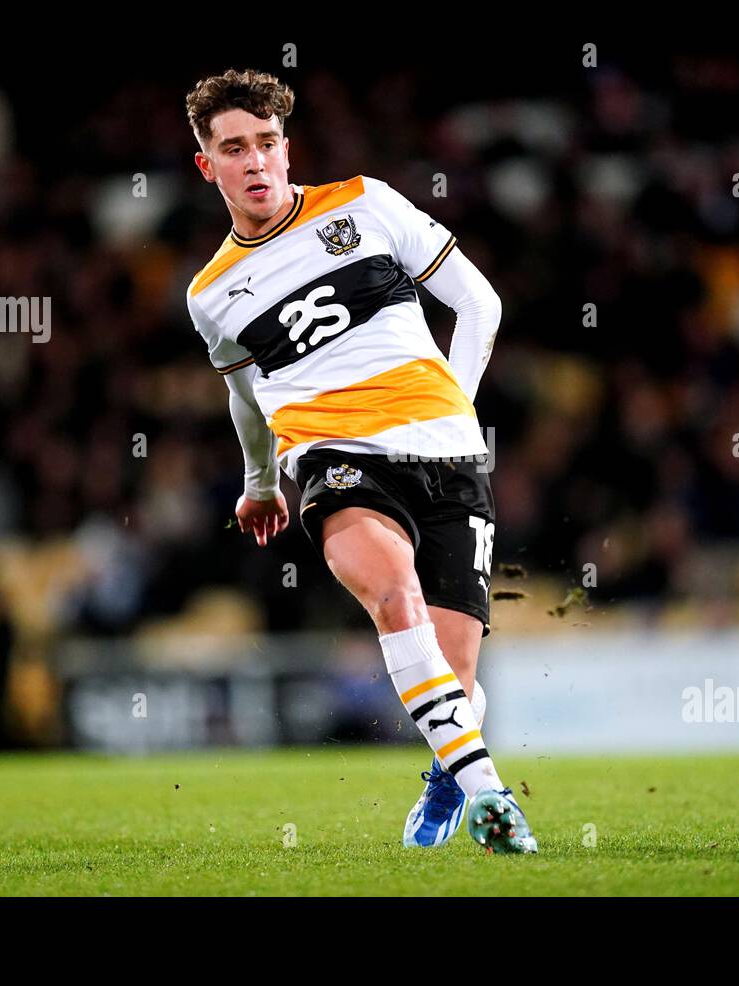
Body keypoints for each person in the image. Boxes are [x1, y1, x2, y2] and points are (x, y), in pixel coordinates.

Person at [184, 68, 535, 853]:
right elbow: (247, 398)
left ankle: (448, 776)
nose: (255, 162)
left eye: (267, 143)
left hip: (446, 453)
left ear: (286, 147)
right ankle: (491, 799)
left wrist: (459, 413)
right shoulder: (211, 293)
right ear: (207, 165)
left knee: (455, 678)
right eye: (233, 148)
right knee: (392, 596)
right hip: (334, 454)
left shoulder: (364, 202)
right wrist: (260, 480)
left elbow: (480, 304)